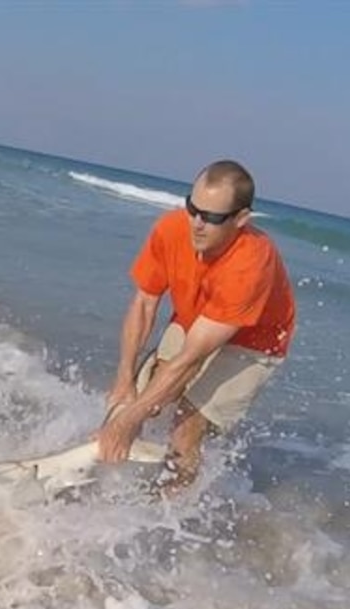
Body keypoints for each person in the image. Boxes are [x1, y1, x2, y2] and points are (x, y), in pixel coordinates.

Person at [96, 159, 296, 496]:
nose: (197, 224)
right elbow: (144, 303)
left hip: (255, 342)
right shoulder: (172, 228)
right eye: (193, 208)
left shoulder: (249, 264)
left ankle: (164, 510)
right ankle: (109, 476)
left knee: (186, 423)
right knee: (147, 394)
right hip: (197, 317)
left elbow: (190, 358)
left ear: (241, 219)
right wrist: (123, 380)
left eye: (213, 217)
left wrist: (129, 419)